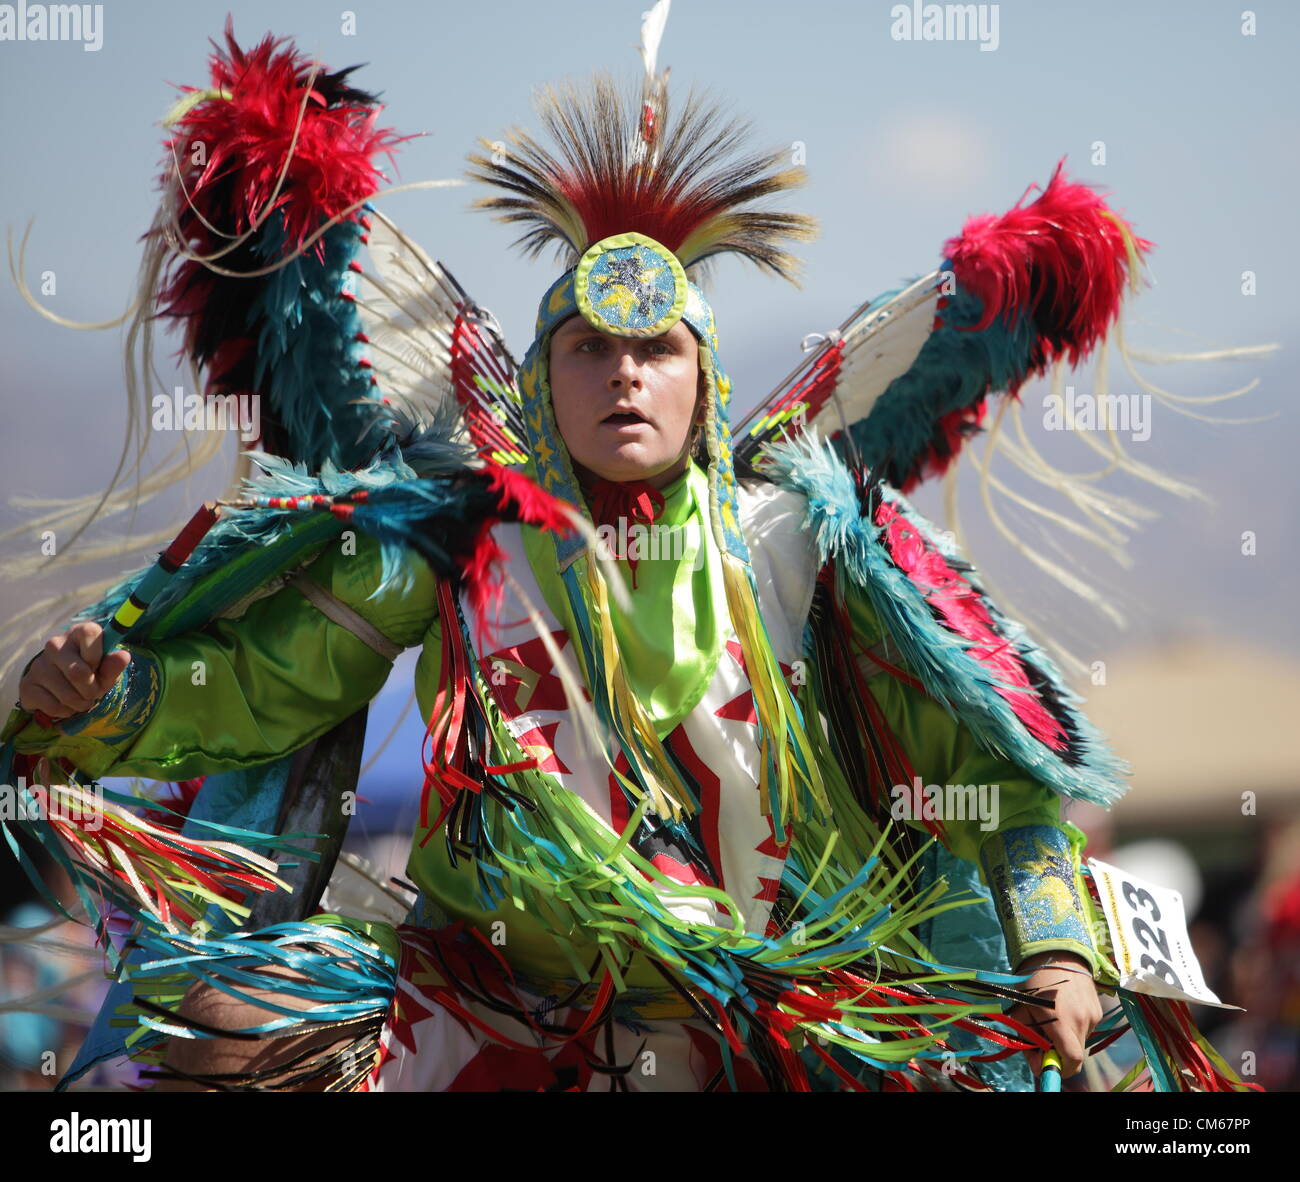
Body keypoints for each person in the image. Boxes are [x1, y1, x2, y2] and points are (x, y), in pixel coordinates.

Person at [1, 11, 1245, 1093]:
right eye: (588, 348)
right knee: (229, 1031)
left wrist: (1058, 949)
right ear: (544, 381)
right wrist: (117, 693)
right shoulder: (449, 546)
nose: (623, 374)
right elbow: (259, 691)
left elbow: (999, 776)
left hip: (792, 1020)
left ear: (704, 379)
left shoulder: (805, 547)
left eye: (655, 352)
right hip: (503, 1012)